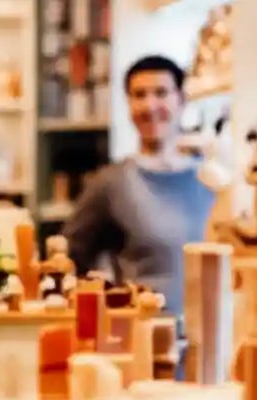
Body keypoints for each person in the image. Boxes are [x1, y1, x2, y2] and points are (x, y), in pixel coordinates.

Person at [62, 55, 215, 318]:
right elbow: (68, 257)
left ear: (181, 99)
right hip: (144, 337)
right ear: (128, 104)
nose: (150, 105)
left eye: (161, 93)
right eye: (139, 95)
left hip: (215, 336)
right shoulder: (111, 184)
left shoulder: (212, 179)